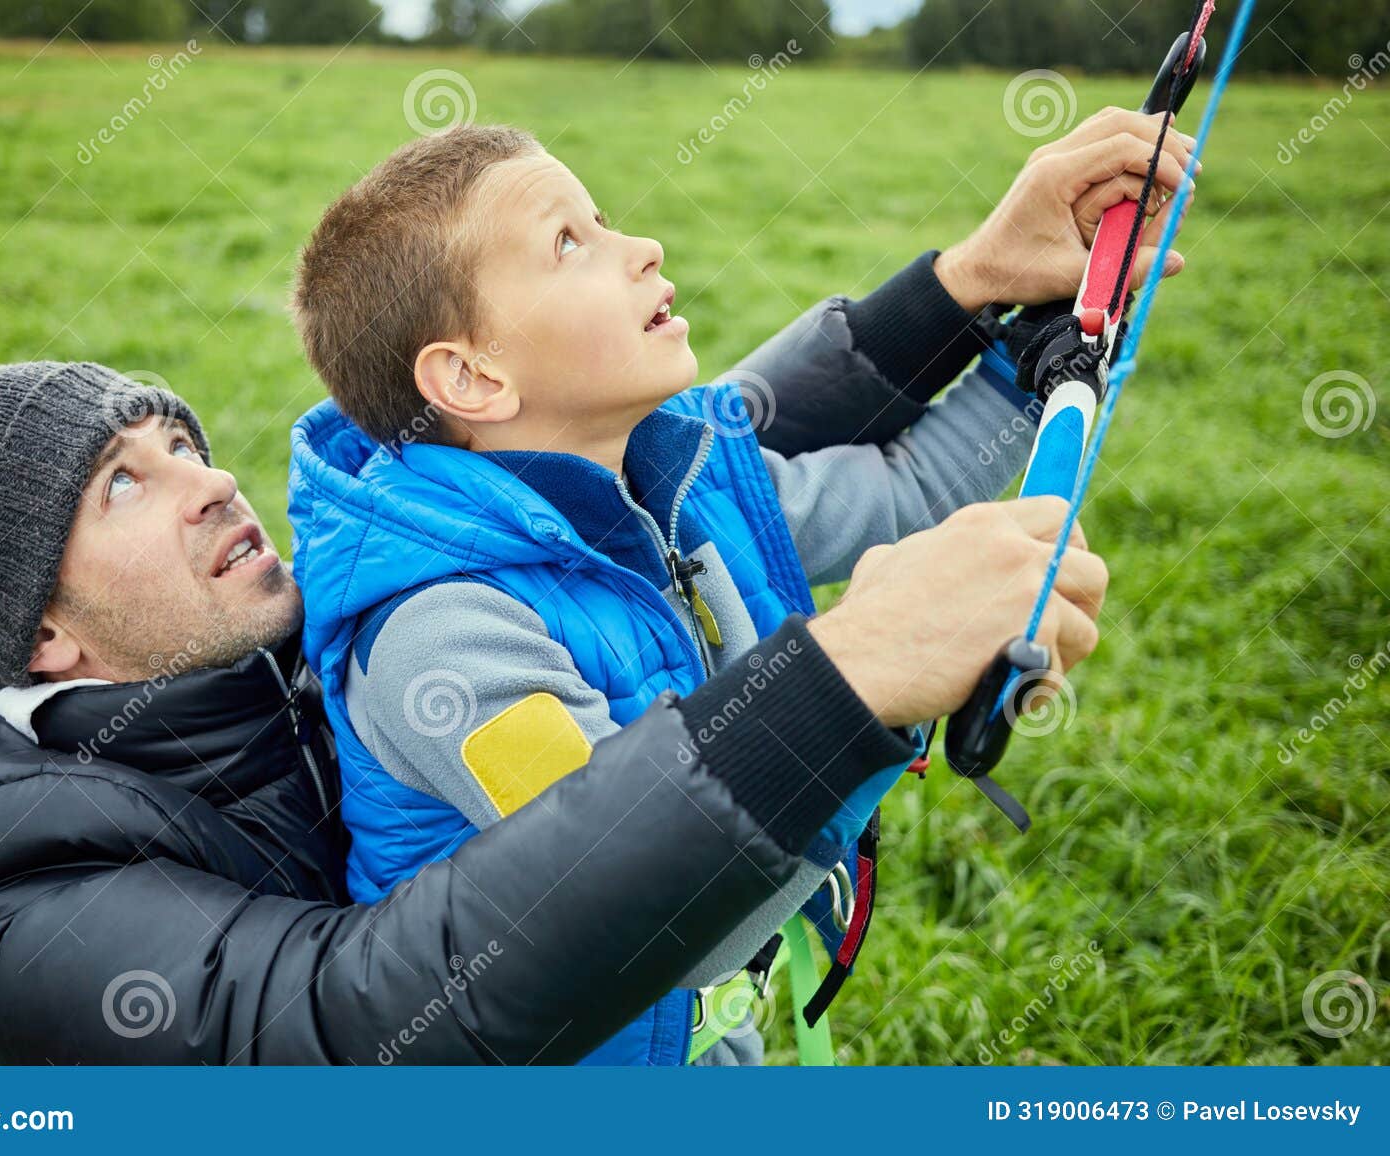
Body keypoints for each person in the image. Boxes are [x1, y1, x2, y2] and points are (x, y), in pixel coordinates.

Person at [0, 104, 1176, 1061]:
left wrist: (997, 310)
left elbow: (711, 456)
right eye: (123, 484)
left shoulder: (253, 640)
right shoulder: (29, 907)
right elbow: (361, 1029)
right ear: (42, 635)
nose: (211, 483)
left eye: (185, 445)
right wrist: (855, 689)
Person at [285, 120, 1186, 1063]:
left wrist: (1049, 353)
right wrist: (879, 668)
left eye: (604, 219)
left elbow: (903, 491)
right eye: (569, 243)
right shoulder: (444, 640)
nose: (643, 249)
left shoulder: (668, 486)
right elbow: (674, 916)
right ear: (472, 376)